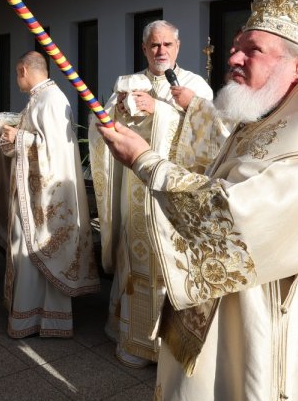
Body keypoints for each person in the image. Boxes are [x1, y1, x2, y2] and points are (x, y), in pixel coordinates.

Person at [96, 0, 298, 400]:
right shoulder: (262, 119)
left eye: (252, 50)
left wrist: (146, 161)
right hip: (228, 309)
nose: (233, 58)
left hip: (268, 328)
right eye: (236, 46)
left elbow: (232, 223)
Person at [87, 19, 225, 367]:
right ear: (144, 48)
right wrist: (114, 112)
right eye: (154, 45)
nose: (160, 51)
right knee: (133, 256)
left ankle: (166, 346)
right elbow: (102, 127)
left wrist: (160, 109)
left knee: (167, 262)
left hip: (172, 191)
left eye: (167, 45)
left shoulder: (195, 85)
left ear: (177, 47)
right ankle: (133, 340)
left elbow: (211, 136)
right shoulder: (128, 83)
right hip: (133, 188)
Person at [0, 51, 100, 337]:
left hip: (46, 195)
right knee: (24, 249)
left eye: (16, 73)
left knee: (36, 248)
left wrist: (18, 137)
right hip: (31, 191)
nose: (17, 78)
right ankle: (32, 316)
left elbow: (53, 149)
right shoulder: (38, 98)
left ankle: (48, 319)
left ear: (23, 70)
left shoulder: (52, 99)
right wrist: (13, 137)